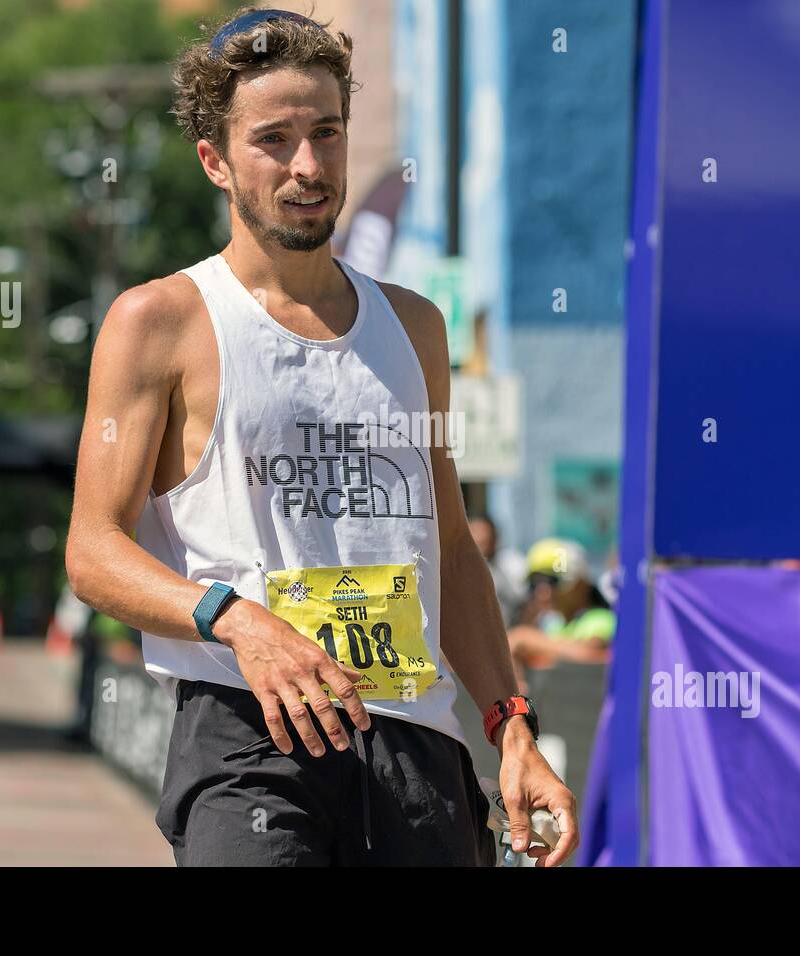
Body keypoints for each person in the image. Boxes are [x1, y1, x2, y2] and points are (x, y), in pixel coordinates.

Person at [64, 8, 577, 867]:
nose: (307, 166)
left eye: (327, 134)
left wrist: (511, 725)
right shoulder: (161, 321)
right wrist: (238, 623)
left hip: (415, 744)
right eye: (274, 139)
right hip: (250, 739)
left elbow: (449, 547)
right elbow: (91, 550)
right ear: (216, 161)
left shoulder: (415, 327)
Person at [507, 538, 615, 690]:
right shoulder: (552, 624)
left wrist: (525, 638)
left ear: (580, 583)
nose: (542, 592)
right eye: (535, 583)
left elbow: (590, 655)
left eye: (552, 581)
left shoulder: (602, 619)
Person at [468, 511, 528, 627]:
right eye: (474, 532)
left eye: (484, 534)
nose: (479, 538)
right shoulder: (457, 572)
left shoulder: (511, 565)